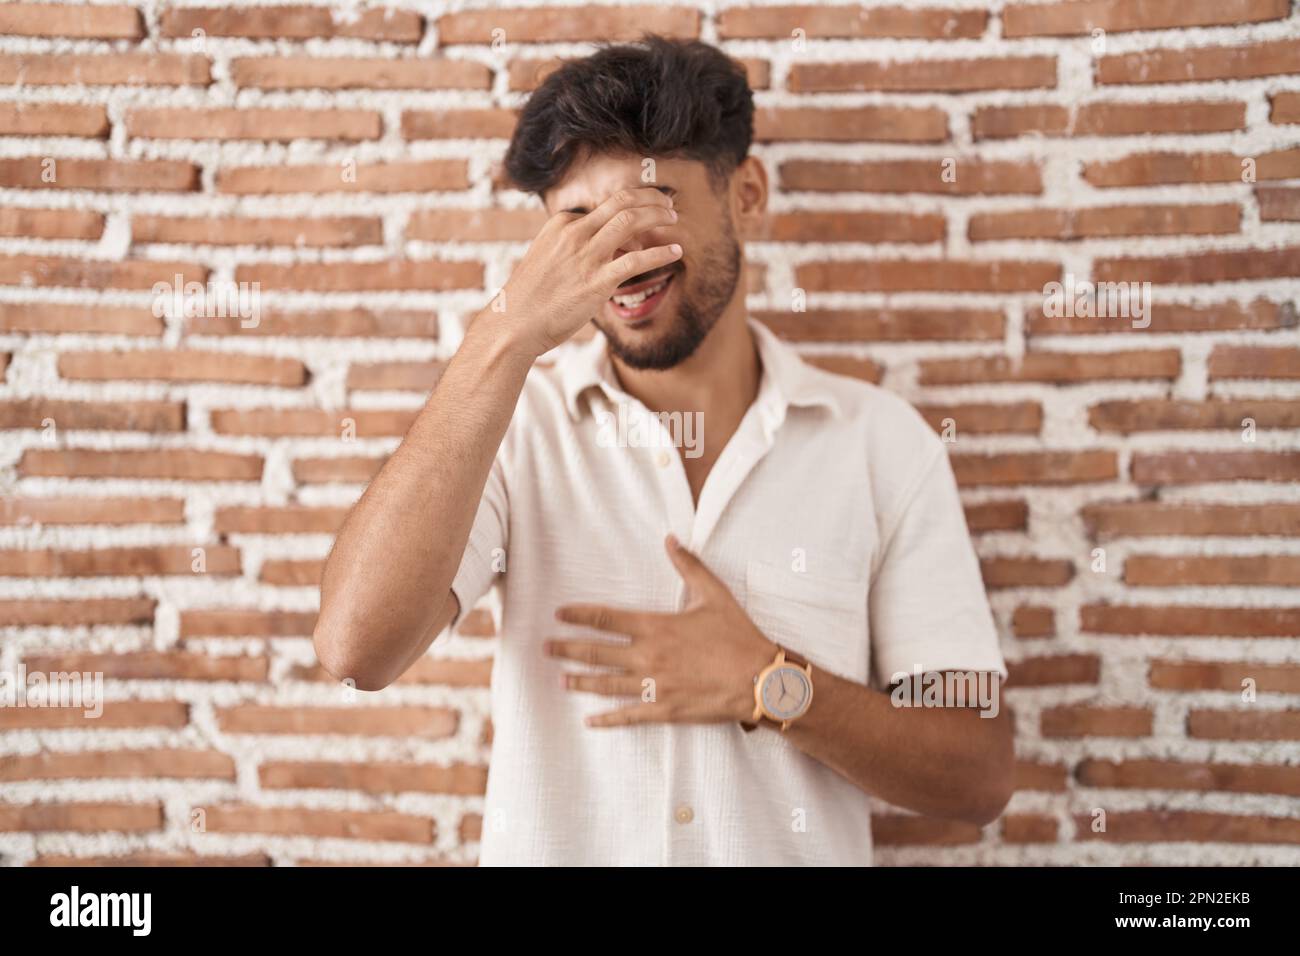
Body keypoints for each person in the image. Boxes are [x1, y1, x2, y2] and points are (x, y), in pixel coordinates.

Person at [314, 36, 1013, 866]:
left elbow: (976, 773)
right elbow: (356, 649)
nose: (619, 255)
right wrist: (504, 335)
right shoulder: (510, 428)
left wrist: (771, 686)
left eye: (649, 204)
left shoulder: (881, 444)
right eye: (577, 222)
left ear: (744, 192)